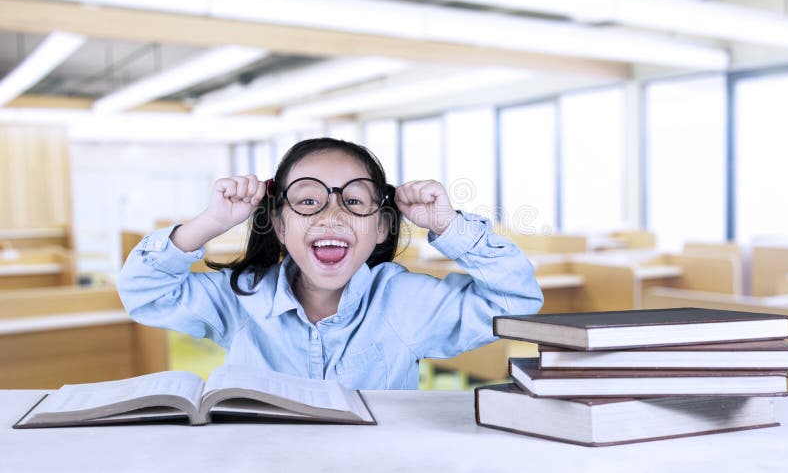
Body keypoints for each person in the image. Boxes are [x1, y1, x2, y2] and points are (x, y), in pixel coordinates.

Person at [117, 137, 543, 390]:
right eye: (307, 200)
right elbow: (143, 292)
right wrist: (211, 222)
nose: (331, 215)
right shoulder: (241, 297)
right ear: (280, 226)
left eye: (354, 200)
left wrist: (448, 225)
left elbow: (517, 298)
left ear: (381, 228)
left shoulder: (405, 302)